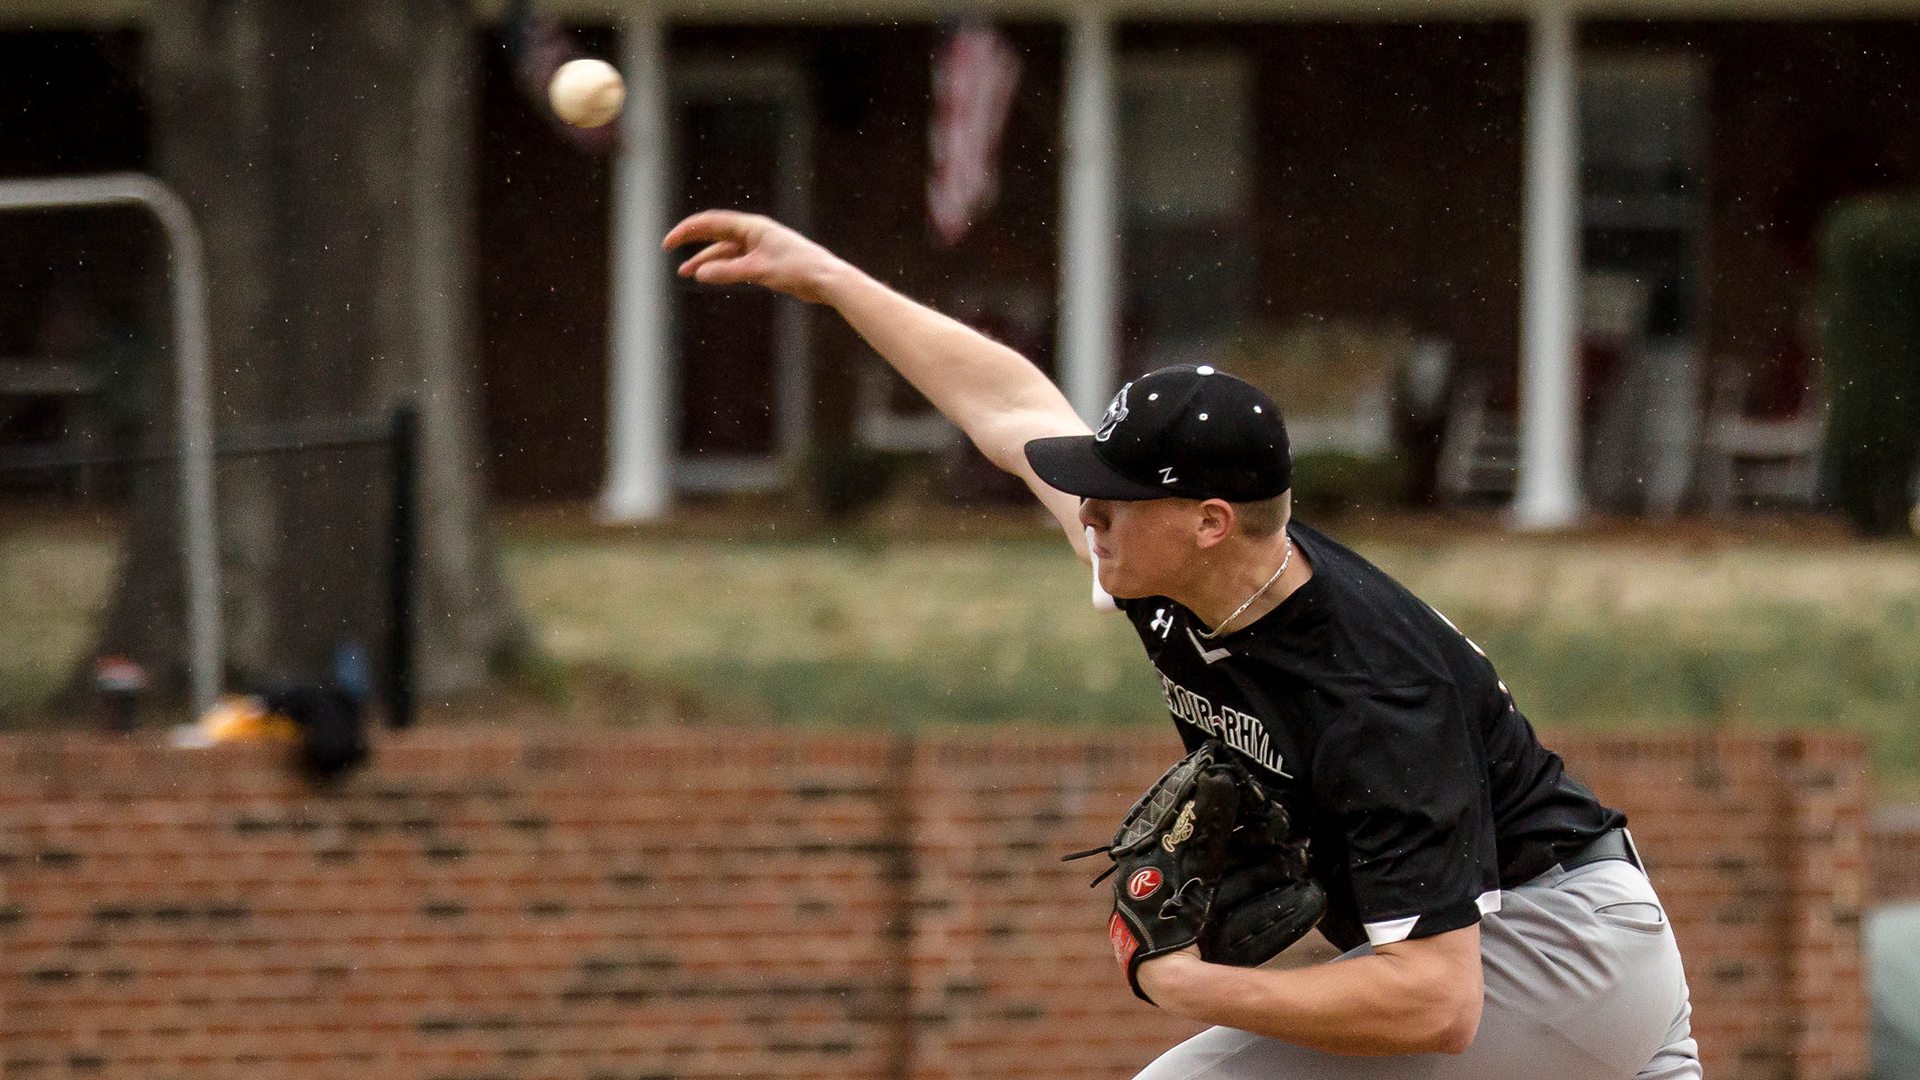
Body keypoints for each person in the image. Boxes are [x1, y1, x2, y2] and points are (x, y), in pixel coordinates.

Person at [662, 209, 1701, 1080]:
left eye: (1117, 497)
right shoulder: (1166, 575)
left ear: (1210, 520)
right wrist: (832, 279)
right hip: (1549, 965)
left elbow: (1436, 1007)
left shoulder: (1373, 692)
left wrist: (1184, 981)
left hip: (1558, 950)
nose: (1090, 511)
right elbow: (1010, 407)